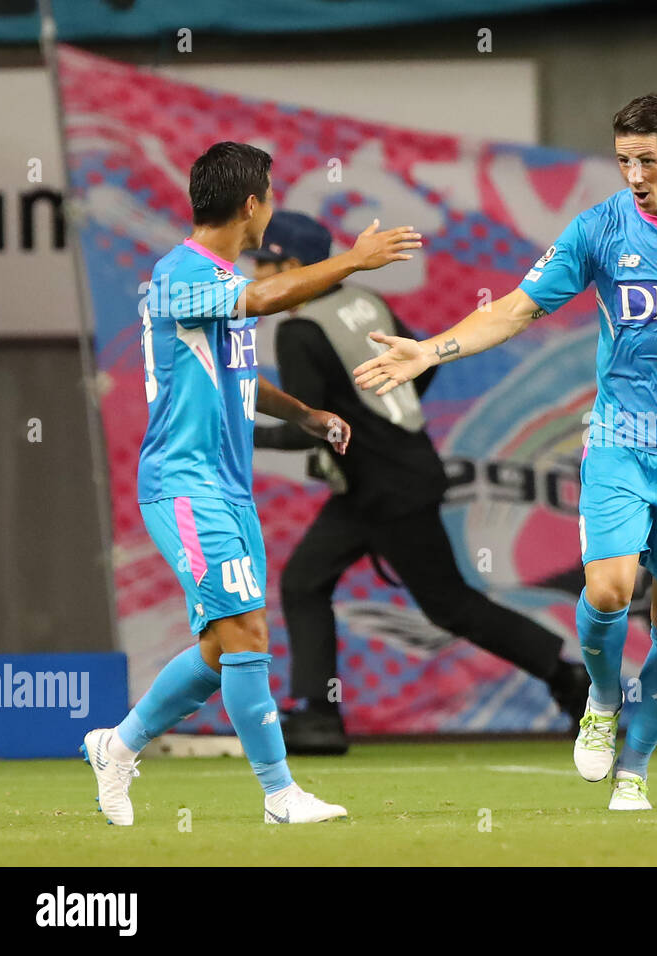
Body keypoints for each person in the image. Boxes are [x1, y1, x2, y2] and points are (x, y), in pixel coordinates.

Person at [353, 93, 657, 810]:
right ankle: (602, 704)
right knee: (608, 589)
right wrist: (431, 349)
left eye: (646, 159)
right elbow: (515, 308)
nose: (634, 174)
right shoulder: (600, 229)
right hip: (621, 444)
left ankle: (634, 768)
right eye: (622, 161)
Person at [81, 142, 422, 825]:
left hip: (227, 489)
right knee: (246, 633)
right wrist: (354, 259)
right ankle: (279, 793)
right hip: (184, 486)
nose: (272, 206)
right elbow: (265, 296)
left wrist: (306, 414)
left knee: (221, 646)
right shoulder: (180, 274)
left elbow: (239, 373)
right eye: (268, 194)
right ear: (250, 205)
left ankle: (117, 746)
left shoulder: (212, 279)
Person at [247, 211, 590, 754]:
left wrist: (243, 437)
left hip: (385, 488)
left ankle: (571, 678)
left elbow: (314, 427)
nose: (256, 277)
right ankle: (317, 714)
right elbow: (419, 364)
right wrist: (393, 423)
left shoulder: (298, 327)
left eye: (263, 265)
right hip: (385, 476)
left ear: (292, 265)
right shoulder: (362, 300)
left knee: (447, 605)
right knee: (306, 581)